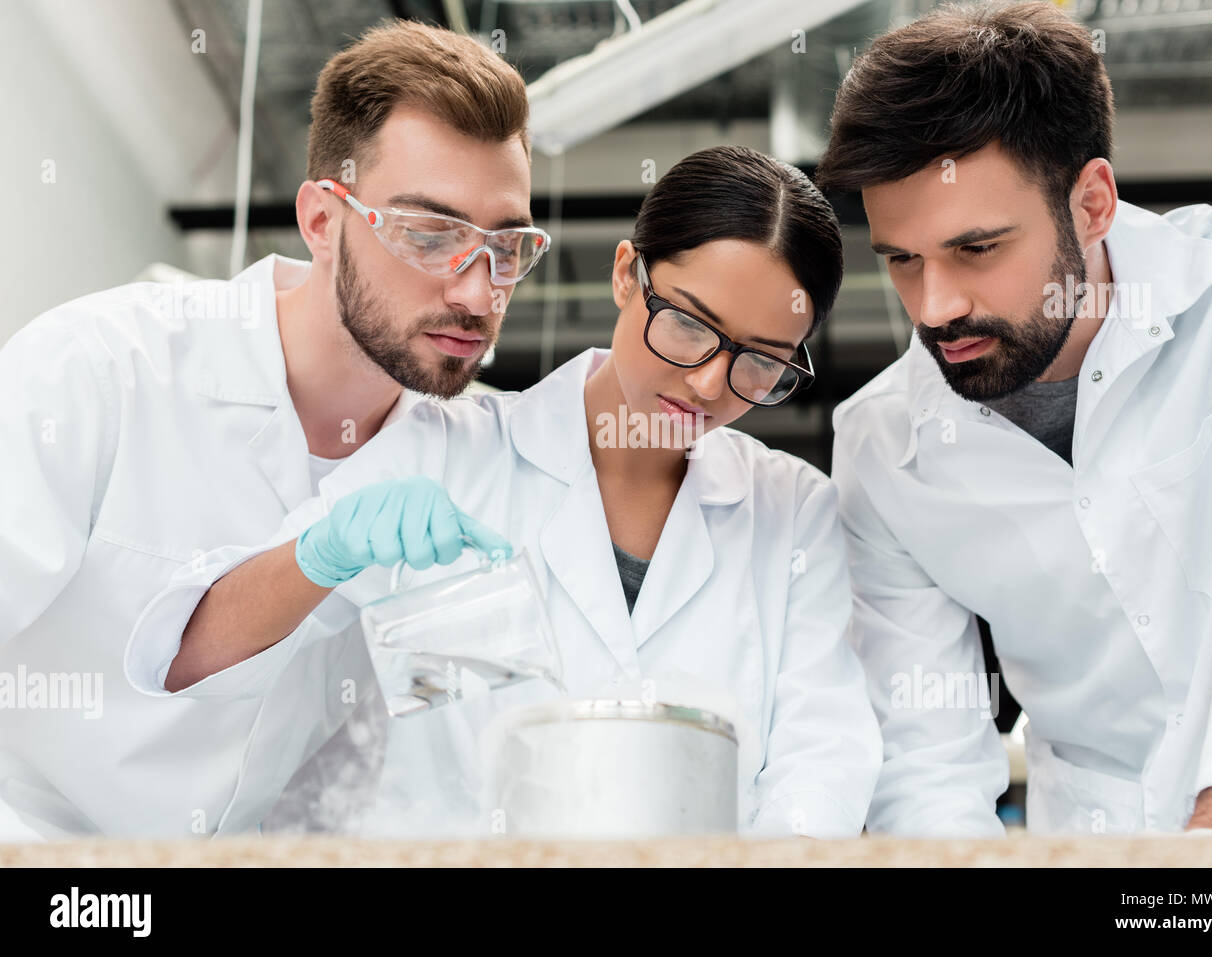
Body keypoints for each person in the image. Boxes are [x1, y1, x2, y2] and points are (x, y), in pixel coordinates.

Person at [126, 145, 882, 838]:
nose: (711, 383)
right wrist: (320, 555)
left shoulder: (792, 510)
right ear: (627, 274)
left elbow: (822, 754)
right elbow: (187, 654)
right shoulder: (445, 450)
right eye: (689, 326)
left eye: (762, 362)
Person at [0, 21, 546, 839]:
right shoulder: (96, 369)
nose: (478, 293)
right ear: (323, 221)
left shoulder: (471, 455)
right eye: (431, 236)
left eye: (506, 247)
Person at [818, 1, 1212, 836]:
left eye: (977, 249)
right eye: (901, 260)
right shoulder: (882, 447)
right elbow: (925, 766)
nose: (935, 309)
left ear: (1092, 203)